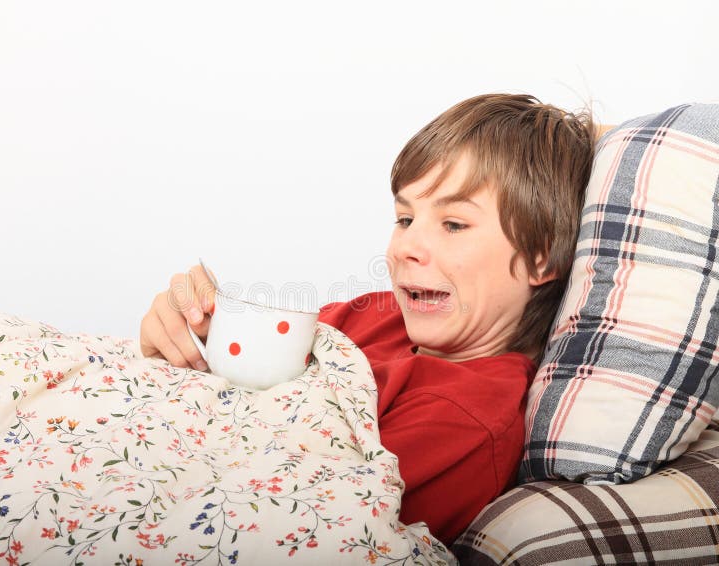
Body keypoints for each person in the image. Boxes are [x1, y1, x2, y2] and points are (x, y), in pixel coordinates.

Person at [139, 93, 597, 545]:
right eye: (404, 219)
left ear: (541, 257)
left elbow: (292, 529)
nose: (403, 248)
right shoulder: (372, 316)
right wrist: (188, 340)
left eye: (453, 224)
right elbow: (231, 401)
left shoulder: (468, 422)